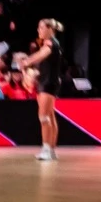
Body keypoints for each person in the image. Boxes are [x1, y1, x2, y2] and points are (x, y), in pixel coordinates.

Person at [18, 19, 66, 162]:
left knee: (43, 117)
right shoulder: (50, 43)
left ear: (50, 29)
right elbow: (45, 65)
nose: (38, 30)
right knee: (50, 116)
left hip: (48, 84)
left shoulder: (50, 43)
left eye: (41, 27)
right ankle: (51, 150)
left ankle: (46, 149)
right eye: (38, 28)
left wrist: (26, 62)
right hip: (46, 82)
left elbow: (41, 55)